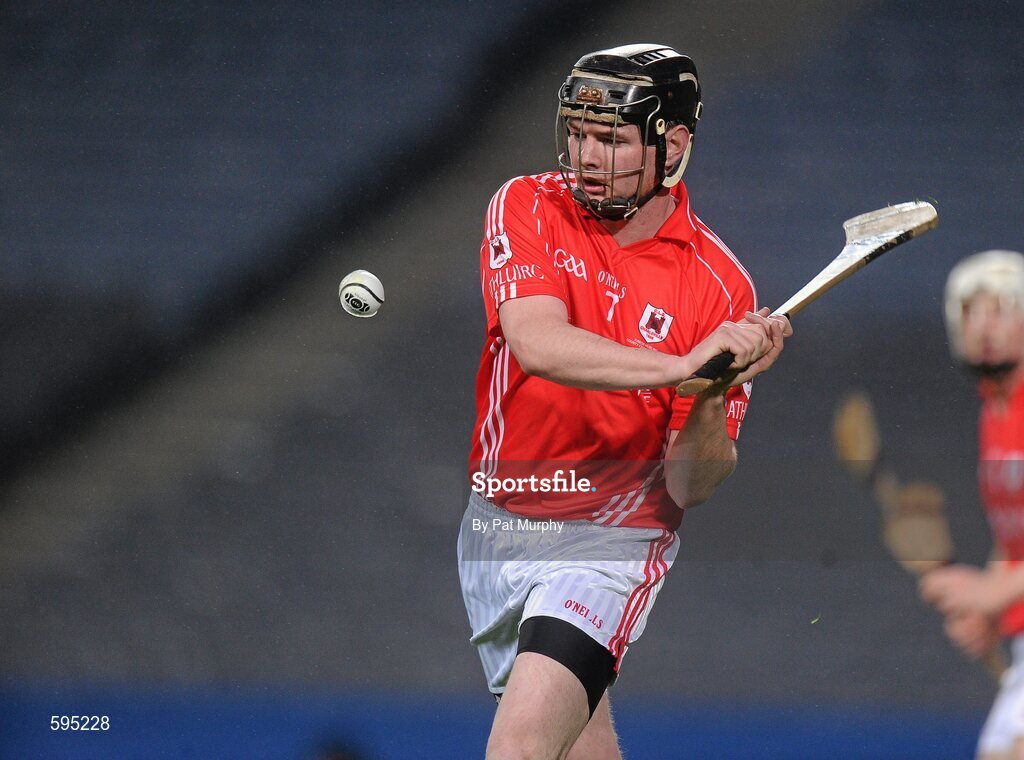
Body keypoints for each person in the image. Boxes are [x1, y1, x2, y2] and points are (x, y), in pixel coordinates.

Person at [457, 43, 792, 760]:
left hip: (610, 542)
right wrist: (682, 366)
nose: (586, 155)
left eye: (610, 138)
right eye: (578, 133)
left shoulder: (720, 286)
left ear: (672, 144)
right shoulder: (527, 205)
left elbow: (689, 484)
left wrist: (712, 391)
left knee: (517, 750)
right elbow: (538, 343)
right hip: (496, 524)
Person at [920, 250, 1024, 760]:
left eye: (1002, 310)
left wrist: (992, 591)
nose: (984, 326)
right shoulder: (995, 412)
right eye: (970, 311)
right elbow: (1015, 544)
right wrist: (993, 607)